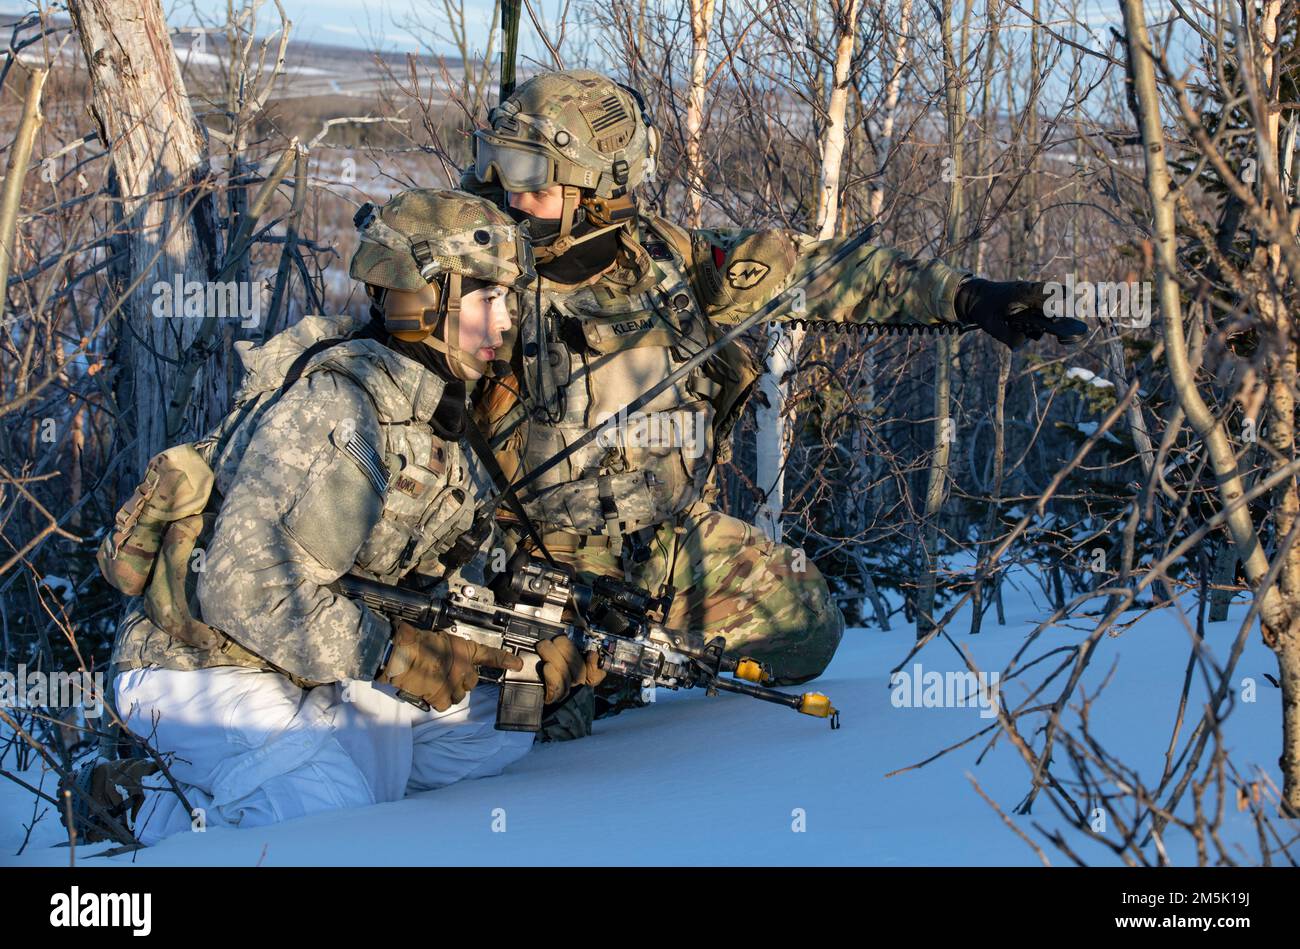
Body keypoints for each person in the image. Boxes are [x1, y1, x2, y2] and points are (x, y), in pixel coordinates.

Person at [460, 69, 1086, 734]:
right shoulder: (474, 275)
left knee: (807, 624)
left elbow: (816, 271)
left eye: (531, 174)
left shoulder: (662, 261)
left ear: (599, 186)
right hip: (523, 559)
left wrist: (967, 296)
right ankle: (580, 678)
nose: (506, 192)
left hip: (655, 545)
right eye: (493, 164)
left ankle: (622, 663)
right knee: (534, 725)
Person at [81, 189, 590, 845]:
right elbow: (246, 592)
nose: (503, 324)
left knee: (496, 737)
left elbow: (426, 579)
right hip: (202, 668)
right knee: (334, 822)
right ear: (423, 297)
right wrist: (401, 655)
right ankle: (147, 809)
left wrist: (521, 655)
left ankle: (261, 787)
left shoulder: (436, 409)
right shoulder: (339, 404)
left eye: (510, 303)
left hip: (310, 664)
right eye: (487, 299)